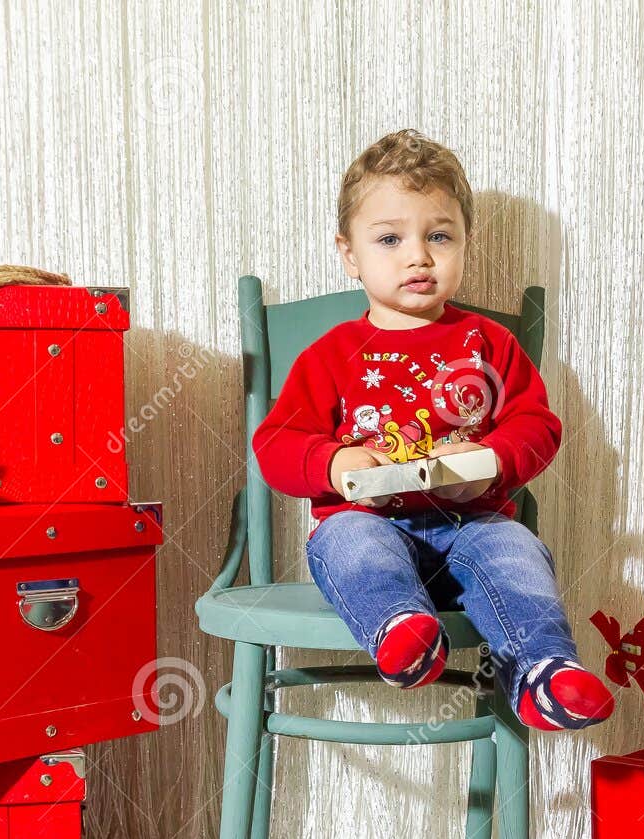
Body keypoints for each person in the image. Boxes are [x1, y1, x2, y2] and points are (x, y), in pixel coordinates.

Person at [252, 129, 614, 731]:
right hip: (369, 525)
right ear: (350, 254)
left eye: (439, 236)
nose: (417, 256)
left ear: (465, 243)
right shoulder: (331, 354)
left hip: (471, 526)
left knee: (517, 548)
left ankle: (543, 671)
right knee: (348, 544)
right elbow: (276, 445)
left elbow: (536, 424)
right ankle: (400, 629)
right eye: (390, 239)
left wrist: (492, 459)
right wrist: (334, 463)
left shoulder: (486, 343)